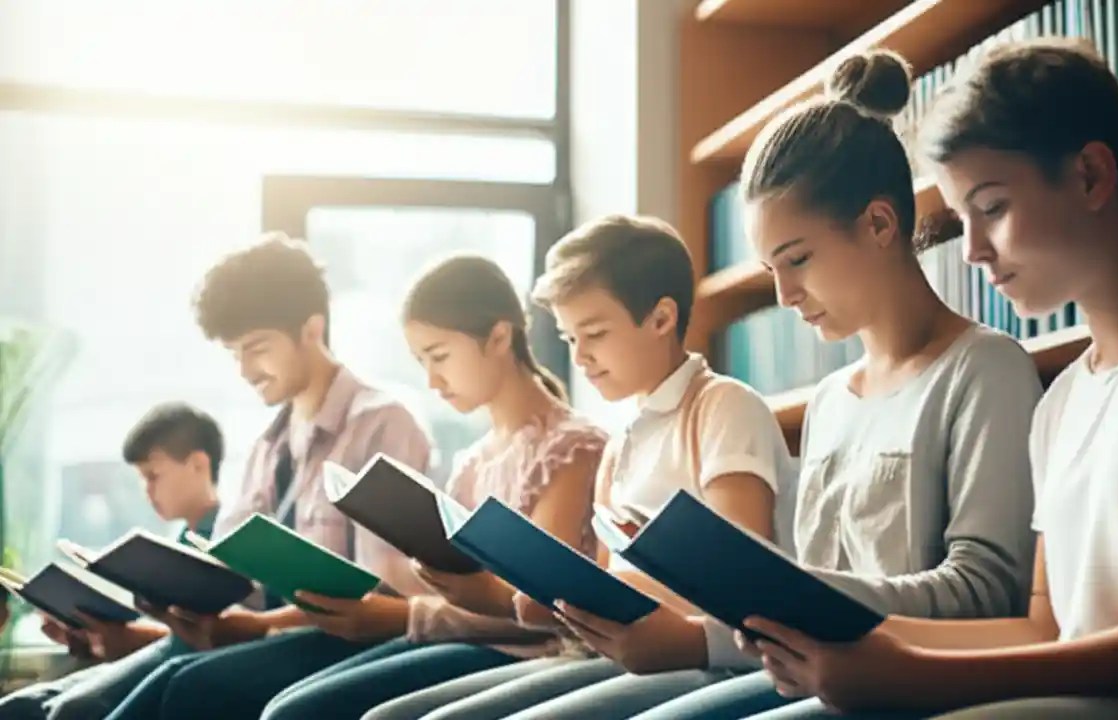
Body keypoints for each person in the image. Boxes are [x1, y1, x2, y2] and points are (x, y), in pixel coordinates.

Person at [744, 38, 1118, 720]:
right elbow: (1042, 629)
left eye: (991, 208)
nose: (971, 250)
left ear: (1089, 176)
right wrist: (855, 643)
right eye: (962, 218)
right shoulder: (1062, 403)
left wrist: (918, 678)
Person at [621, 49, 1042, 720]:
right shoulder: (829, 401)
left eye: (798, 260)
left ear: (879, 224)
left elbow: (986, 594)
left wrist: (787, 590)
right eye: (770, 269)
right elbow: (799, 623)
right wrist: (696, 637)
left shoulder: (986, 370)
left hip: (915, 690)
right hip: (805, 679)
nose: (785, 295)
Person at [363, 214, 797, 720]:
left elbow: (742, 576)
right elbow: (617, 586)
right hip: (620, 653)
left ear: (660, 320)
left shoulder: (722, 407)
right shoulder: (622, 446)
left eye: (594, 334)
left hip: (709, 658)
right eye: (570, 340)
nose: (582, 357)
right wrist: (544, 598)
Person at [252, 255, 609, 720]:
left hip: (529, 651)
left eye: (439, 356)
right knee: (287, 705)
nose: (432, 381)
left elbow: (541, 605)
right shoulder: (473, 461)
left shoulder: (572, 449)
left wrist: (402, 615)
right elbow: (454, 587)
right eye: (422, 362)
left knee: (299, 713)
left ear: (500, 337)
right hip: (456, 636)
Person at [101, 233, 433, 720]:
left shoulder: (383, 423)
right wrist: (182, 601)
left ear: (311, 330)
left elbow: (384, 597)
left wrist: (255, 628)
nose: (245, 371)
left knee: (190, 689)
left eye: (256, 349)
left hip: (345, 642)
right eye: (235, 353)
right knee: (72, 705)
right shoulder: (267, 444)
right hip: (269, 635)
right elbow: (238, 579)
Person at [0, 403, 225, 720]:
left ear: (198, 466)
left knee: (71, 710)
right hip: (159, 654)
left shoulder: (225, 539)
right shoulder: (181, 538)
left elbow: (219, 634)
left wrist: (128, 637)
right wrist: (87, 630)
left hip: (185, 665)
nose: (147, 491)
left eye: (153, 476)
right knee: (17, 707)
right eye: (141, 479)